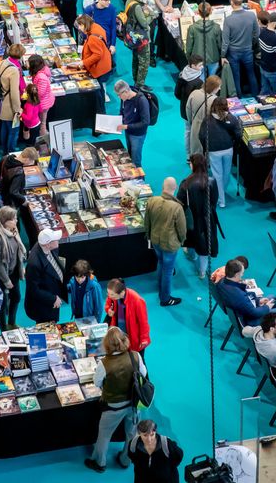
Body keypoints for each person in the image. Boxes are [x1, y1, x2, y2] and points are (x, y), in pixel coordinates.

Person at [87, 326, 145, 472]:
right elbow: (143, 374)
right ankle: (125, 460)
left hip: (113, 407)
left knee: (104, 435)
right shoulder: (136, 356)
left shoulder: (104, 363)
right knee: (131, 434)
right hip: (134, 404)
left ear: (106, 344)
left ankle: (100, 463)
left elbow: (96, 382)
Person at [216, 258, 276, 340]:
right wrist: (267, 307)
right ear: (236, 275)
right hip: (250, 322)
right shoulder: (237, 295)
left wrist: (258, 301)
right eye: (241, 274)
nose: (242, 276)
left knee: (273, 297)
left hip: (245, 312)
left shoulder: (222, 282)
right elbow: (254, 313)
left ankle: (275, 331)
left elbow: (245, 302)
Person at [144, 178, 187, 307]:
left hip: (155, 240)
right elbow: (182, 229)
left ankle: (160, 288)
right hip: (170, 244)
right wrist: (181, 241)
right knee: (168, 271)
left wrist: (149, 236)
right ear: (175, 188)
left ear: (163, 187)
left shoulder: (152, 201)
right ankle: (165, 298)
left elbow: (147, 222)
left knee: (161, 263)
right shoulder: (177, 207)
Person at [0, 207, 27, 329]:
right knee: (2, 303)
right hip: (1, 276)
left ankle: (12, 323)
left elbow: (18, 251)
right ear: (5, 221)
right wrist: (6, 281)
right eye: (13, 218)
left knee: (16, 297)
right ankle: (4, 327)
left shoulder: (14, 231)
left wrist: (21, 267)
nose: (16, 220)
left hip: (13, 271)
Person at [24, 228, 66, 323]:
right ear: (48, 244)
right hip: (43, 306)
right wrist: (53, 299)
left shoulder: (47, 247)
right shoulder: (34, 264)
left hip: (52, 295)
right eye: (55, 239)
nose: (58, 240)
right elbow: (34, 289)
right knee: (47, 331)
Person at [104, 279, 151, 353]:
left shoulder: (137, 301)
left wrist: (144, 339)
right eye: (108, 293)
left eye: (112, 294)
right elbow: (108, 303)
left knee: (137, 360)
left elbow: (143, 322)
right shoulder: (113, 296)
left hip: (133, 336)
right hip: (120, 334)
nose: (109, 296)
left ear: (122, 292)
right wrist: (108, 309)